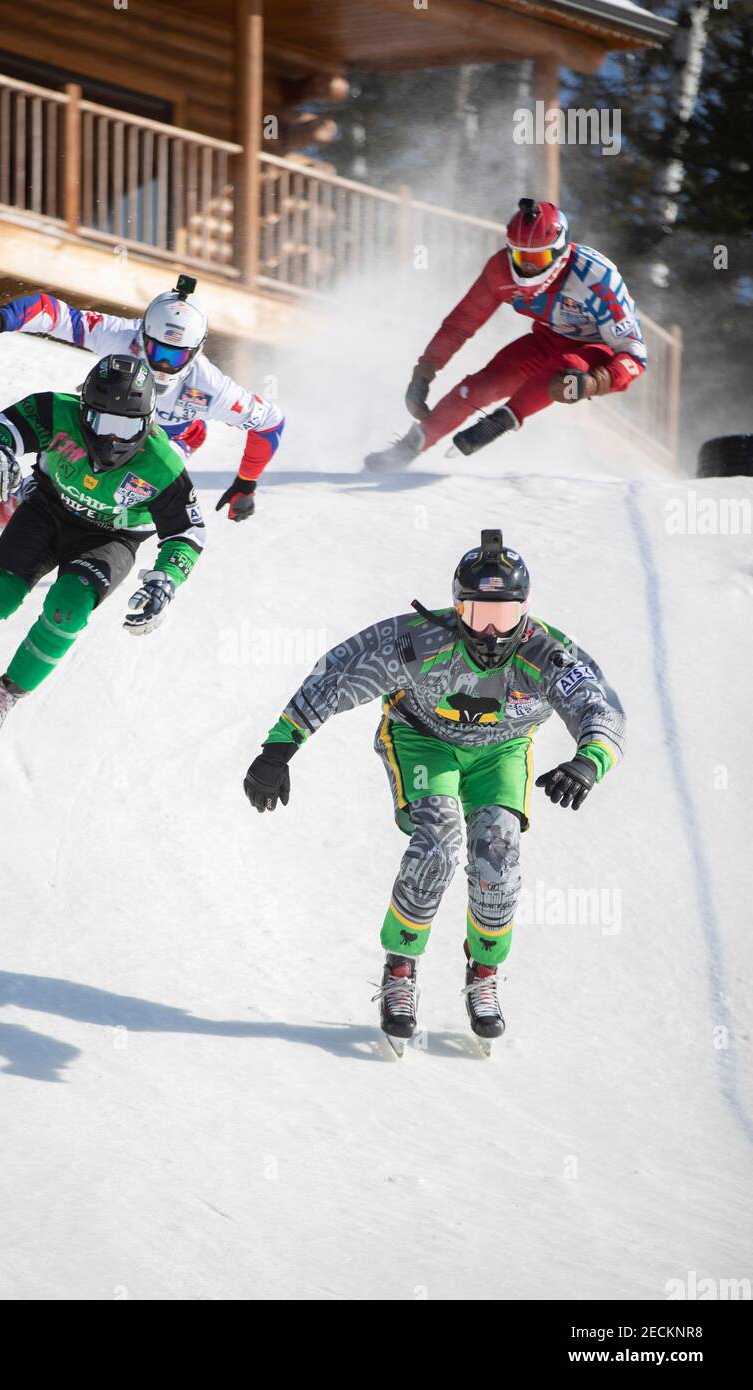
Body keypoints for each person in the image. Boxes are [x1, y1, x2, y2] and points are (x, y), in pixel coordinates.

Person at [242, 530, 625, 1052]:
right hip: (423, 741)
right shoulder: (418, 641)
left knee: (499, 852)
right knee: (439, 843)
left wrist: (589, 761)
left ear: (526, 611)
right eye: (477, 614)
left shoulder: (547, 653)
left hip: (501, 753)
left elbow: (600, 707)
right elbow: (336, 676)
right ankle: (400, 968)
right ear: (456, 608)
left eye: (505, 616)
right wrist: (278, 749)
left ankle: (483, 972)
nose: (491, 631)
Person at [0, 355, 204, 739]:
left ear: (148, 422)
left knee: (69, 609)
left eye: (128, 426)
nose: (113, 438)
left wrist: (166, 580)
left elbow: (189, 533)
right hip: (49, 509)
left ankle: (7, 693)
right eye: (102, 422)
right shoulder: (55, 410)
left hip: (112, 538)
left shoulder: (162, 465)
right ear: (83, 410)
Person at [0, 274, 284, 540]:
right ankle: (6, 510)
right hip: (103, 419)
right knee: (64, 457)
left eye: (175, 356)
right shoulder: (122, 335)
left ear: (196, 351)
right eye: (157, 351)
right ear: (142, 335)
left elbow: (269, 422)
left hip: (166, 440)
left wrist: (246, 482)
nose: (163, 365)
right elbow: (54, 313)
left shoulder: (211, 388)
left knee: (135, 487)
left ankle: (96, 543)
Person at [364, 197, 647, 470]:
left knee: (567, 372)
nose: (528, 267)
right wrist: (425, 370)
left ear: (560, 252)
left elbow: (635, 354)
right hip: (548, 339)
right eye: (521, 255)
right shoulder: (500, 270)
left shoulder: (596, 277)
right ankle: (407, 448)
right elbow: (461, 323)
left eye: (539, 256)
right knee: (478, 386)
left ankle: (505, 419)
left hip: (596, 349)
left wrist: (594, 382)